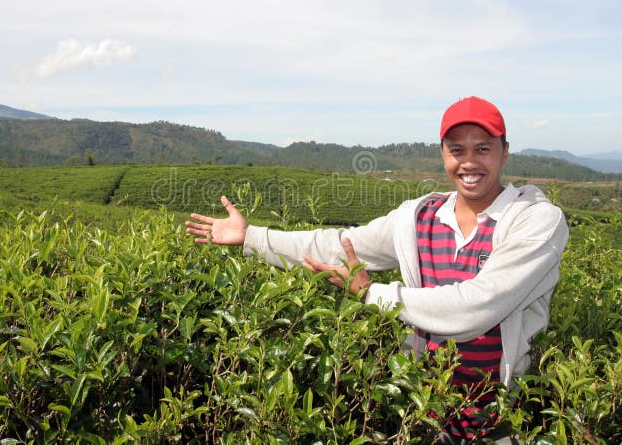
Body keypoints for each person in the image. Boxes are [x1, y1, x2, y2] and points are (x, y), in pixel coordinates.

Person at [185, 96, 569, 443]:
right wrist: (252, 237)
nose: (469, 162)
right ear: (442, 154)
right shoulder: (417, 219)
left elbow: (476, 306)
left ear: (505, 153)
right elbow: (337, 246)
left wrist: (373, 295)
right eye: (457, 150)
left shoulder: (536, 222)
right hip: (420, 410)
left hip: (499, 419)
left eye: (483, 149)